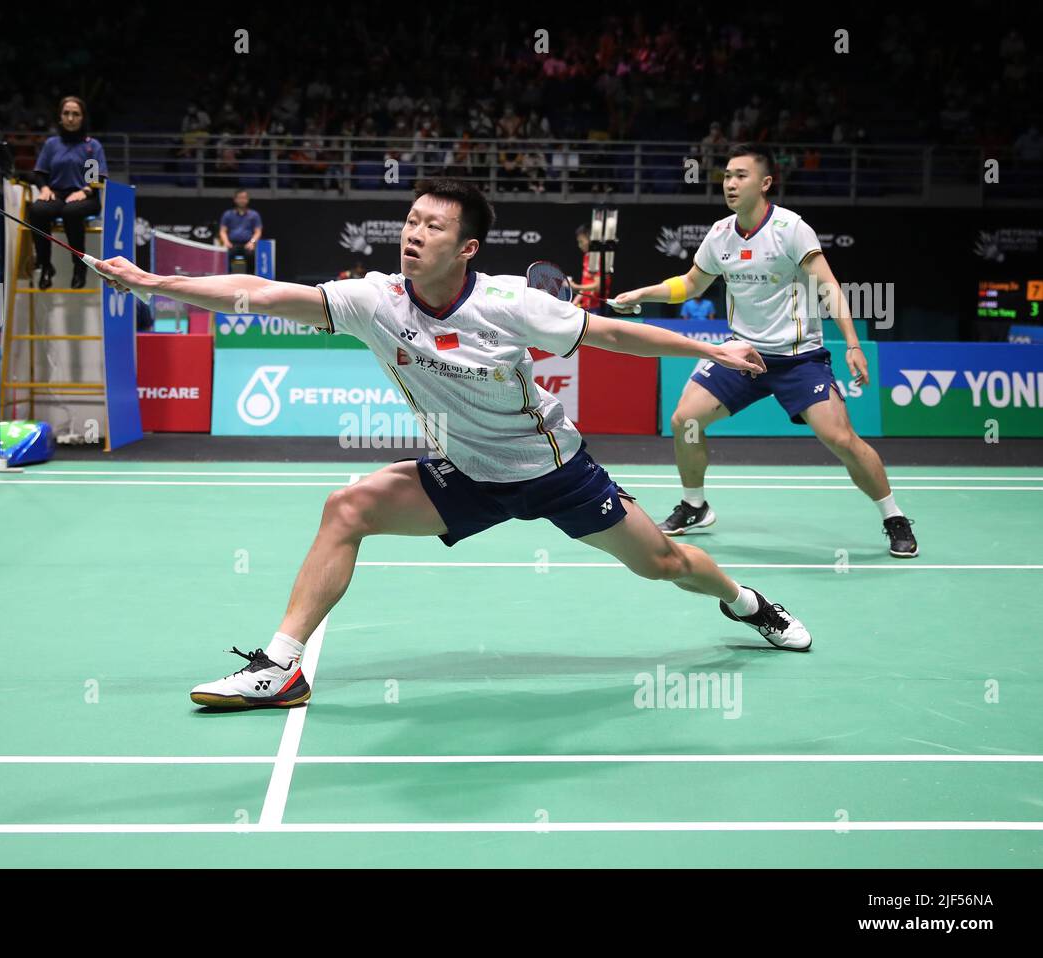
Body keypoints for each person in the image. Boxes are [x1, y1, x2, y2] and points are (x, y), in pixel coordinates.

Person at [95, 177, 813, 710]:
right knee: (348, 508)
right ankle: (282, 666)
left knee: (664, 562)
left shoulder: (509, 306)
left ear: (466, 247)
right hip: (467, 472)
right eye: (410, 221)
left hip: (556, 470)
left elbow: (614, 334)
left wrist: (705, 348)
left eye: (432, 227)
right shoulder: (375, 300)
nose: (413, 234)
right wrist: (156, 282)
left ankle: (746, 602)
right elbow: (267, 294)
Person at [610, 145, 918, 558]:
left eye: (741, 176)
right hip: (742, 355)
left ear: (765, 183)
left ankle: (893, 516)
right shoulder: (720, 234)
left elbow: (828, 286)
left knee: (840, 438)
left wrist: (853, 345)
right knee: (686, 419)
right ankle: (695, 506)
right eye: (727, 176)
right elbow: (691, 284)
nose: (731, 184)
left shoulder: (791, 229)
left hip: (799, 358)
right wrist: (644, 294)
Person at [27, 96, 108, 290]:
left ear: (82, 118)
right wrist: (45, 189)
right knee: (37, 210)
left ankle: (80, 268)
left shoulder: (91, 145)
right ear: (60, 117)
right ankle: (46, 266)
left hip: (86, 196)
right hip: (57, 195)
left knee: (71, 212)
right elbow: (40, 174)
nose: (70, 118)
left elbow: (96, 178)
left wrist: (85, 190)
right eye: (66, 113)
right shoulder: (52, 144)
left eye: (75, 114)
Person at [218, 189, 262, 274]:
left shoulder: (254, 215)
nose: (242, 200)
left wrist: (252, 242)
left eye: (244, 198)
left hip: (248, 244)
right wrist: (226, 242)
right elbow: (222, 231)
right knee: (227, 255)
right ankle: (227, 279)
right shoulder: (228, 214)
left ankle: (250, 278)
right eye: (240, 198)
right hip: (232, 244)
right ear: (235, 200)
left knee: (250, 255)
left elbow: (258, 231)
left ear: (247, 200)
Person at [568, 224, 607, 314]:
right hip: (587, 306)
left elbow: (598, 287)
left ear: (590, 239)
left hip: (597, 307)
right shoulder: (587, 257)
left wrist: (576, 286)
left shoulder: (597, 258)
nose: (579, 245)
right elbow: (586, 283)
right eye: (578, 242)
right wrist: (575, 302)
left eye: (581, 241)